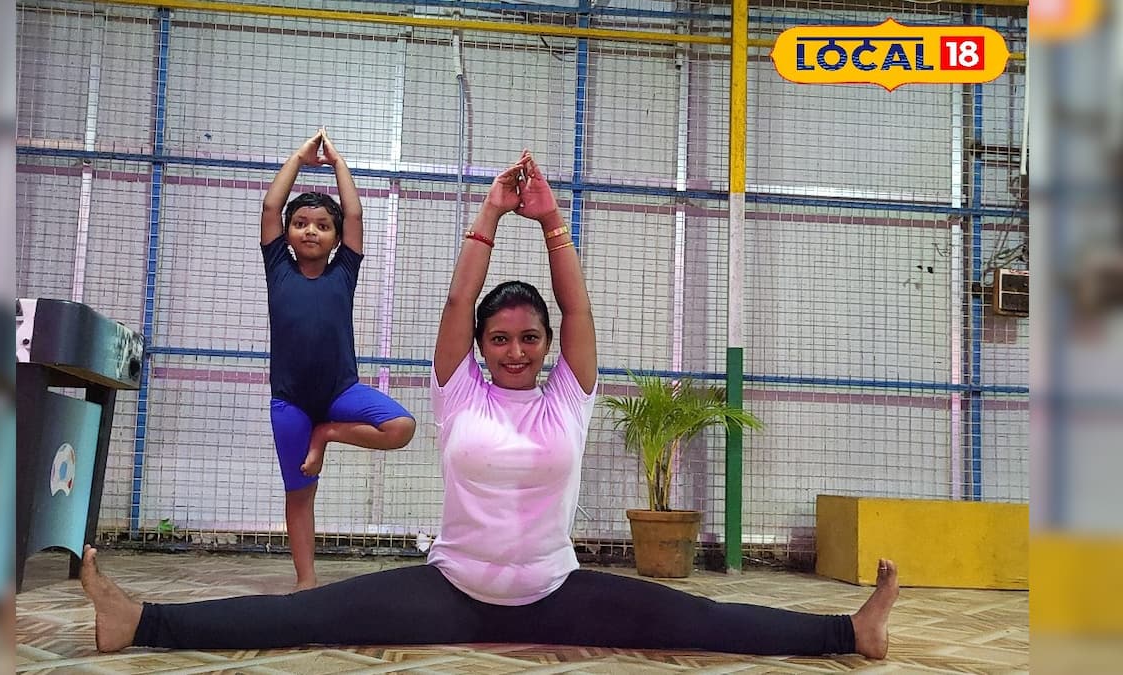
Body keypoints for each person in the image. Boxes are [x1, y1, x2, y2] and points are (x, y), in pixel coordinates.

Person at [81, 151, 899, 658]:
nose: (514, 350)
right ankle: (140, 620)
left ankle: (848, 632)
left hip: (557, 591)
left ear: (546, 344)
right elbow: (455, 302)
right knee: (304, 616)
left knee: (703, 620)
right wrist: (488, 214)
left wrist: (551, 223)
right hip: (448, 588)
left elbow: (578, 309)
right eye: (499, 338)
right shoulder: (458, 388)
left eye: (527, 338)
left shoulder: (567, 397)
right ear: (479, 346)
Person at [260, 128, 417, 590]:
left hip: (340, 394)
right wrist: (298, 158)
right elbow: (270, 206)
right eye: (301, 223)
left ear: (335, 239)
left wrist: (338, 164)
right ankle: (306, 581)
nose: (311, 230)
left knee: (401, 426)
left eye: (322, 226)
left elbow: (355, 213)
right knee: (299, 493)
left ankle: (326, 433)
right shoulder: (278, 268)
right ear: (289, 233)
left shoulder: (344, 271)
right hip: (290, 401)